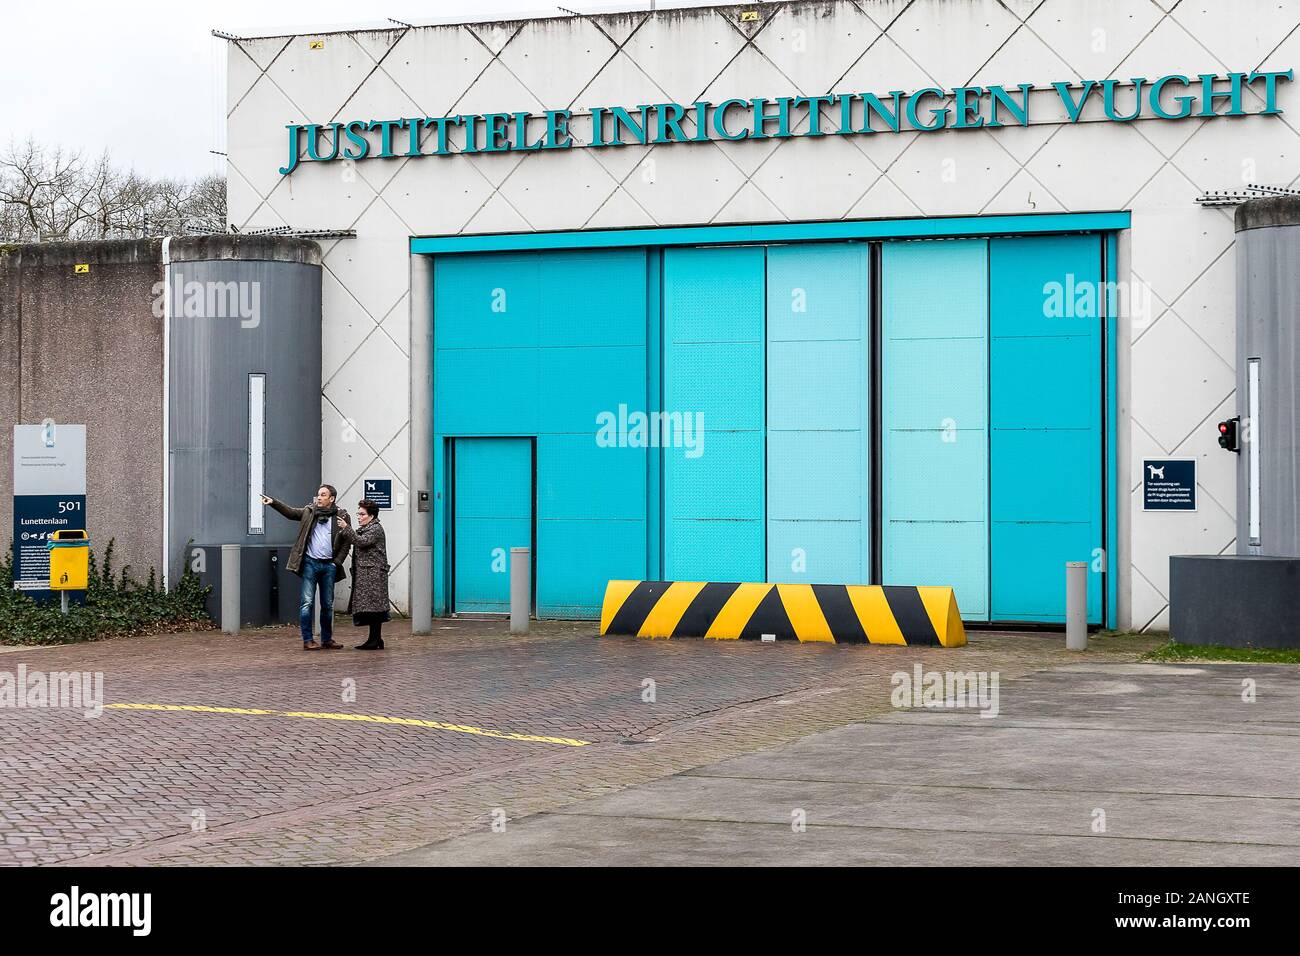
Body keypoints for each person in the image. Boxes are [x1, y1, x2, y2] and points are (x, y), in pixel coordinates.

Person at [261, 485, 351, 650]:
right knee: (306, 603)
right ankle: (307, 640)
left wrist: (336, 562)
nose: (319, 498)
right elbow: (290, 512)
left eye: (323, 495)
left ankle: (327, 639)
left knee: (328, 604)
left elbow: (346, 542)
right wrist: (273, 502)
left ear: (332, 498)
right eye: (318, 495)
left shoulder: (342, 516)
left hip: (329, 565)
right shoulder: (310, 512)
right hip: (310, 563)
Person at [339, 499, 390, 650]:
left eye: (362, 514)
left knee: (374, 607)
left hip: (373, 575)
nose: (359, 517)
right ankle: (375, 639)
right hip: (367, 574)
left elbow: (361, 542)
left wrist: (346, 528)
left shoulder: (375, 529)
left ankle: (374, 640)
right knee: (372, 607)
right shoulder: (368, 528)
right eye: (358, 514)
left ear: (372, 516)